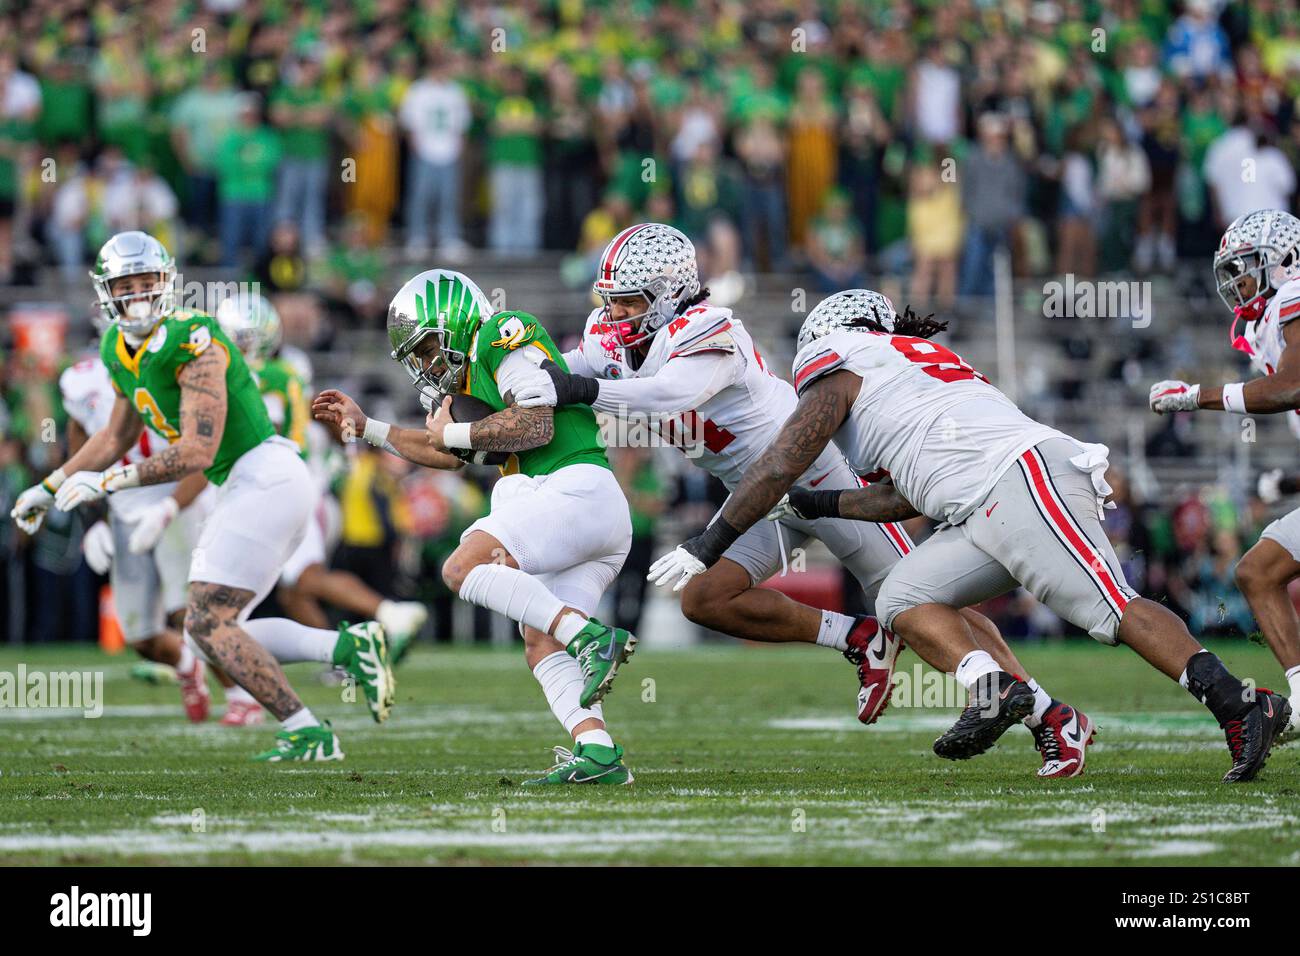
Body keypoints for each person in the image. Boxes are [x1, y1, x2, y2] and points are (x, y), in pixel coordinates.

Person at [515, 226, 1087, 777]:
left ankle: (1050, 717)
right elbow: (554, 375)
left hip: (814, 476)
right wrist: (502, 387)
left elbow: (669, 392)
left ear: (667, 295)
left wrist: (579, 389)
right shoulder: (607, 339)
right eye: (611, 302)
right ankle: (854, 637)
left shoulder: (712, 328)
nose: (615, 316)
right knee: (705, 599)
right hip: (753, 498)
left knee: (917, 601)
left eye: (629, 303)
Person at [652, 288, 1287, 784]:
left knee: (1111, 610)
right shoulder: (905, 371)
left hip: (1018, 478)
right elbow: (897, 497)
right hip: (980, 502)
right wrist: (816, 501)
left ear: (829, 336)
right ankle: (994, 689)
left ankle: (1237, 704)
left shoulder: (843, 359)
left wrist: (707, 543)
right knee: (901, 598)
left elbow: (784, 455)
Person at [10, 231, 393, 761]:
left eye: (149, 283)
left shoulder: (194, 337)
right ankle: (348, 650)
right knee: (213, 628)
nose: (140, 295)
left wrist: (110, 482)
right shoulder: (115, 347)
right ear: (107, 292)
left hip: (265, 476)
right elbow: (114, 436)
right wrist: (48, 487)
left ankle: (309, 730)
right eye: (128, 284)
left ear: (167, 285)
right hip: (244, 483)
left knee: (206, 622)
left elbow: (195, 449)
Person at [312, 269, 636, 785]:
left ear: (454, 323)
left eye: (427, 348)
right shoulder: (464, 382)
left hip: (575, 488)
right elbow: (446, 453)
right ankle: (597, 751)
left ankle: (592, 638)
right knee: (539, 640)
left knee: (462, 568)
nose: (424, 364)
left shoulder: (499, 331)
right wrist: (367, 427)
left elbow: (537, 422)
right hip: (580, 516)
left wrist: (456, 431)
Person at [1149, 208, 1300, 741]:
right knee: (1257, 572)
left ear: (1287, 261)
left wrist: (1197, 396)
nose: (1238, 282)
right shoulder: (1274, 313)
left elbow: (1292, 386)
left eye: (1249, 266)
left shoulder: (1294, 294)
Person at [216, 292, 428, 663]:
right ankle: (349, 658)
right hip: (305, 488)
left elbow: (272, 426)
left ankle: (390, 613)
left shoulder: (269, 376)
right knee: (294, 591)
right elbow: (316, 415)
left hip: (295, 492)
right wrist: (347, 446)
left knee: (306, 578)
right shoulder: (288, 370)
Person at [59, 341, 217, 723]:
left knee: (192, 615)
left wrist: (168, 509)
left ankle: (240, 698)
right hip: (125, 512)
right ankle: (186, 666)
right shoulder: (84, 380)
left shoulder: (180, 366)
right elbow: (78, 439)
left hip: (181, 501)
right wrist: (92, 520)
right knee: (140, 635)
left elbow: (204, 456)